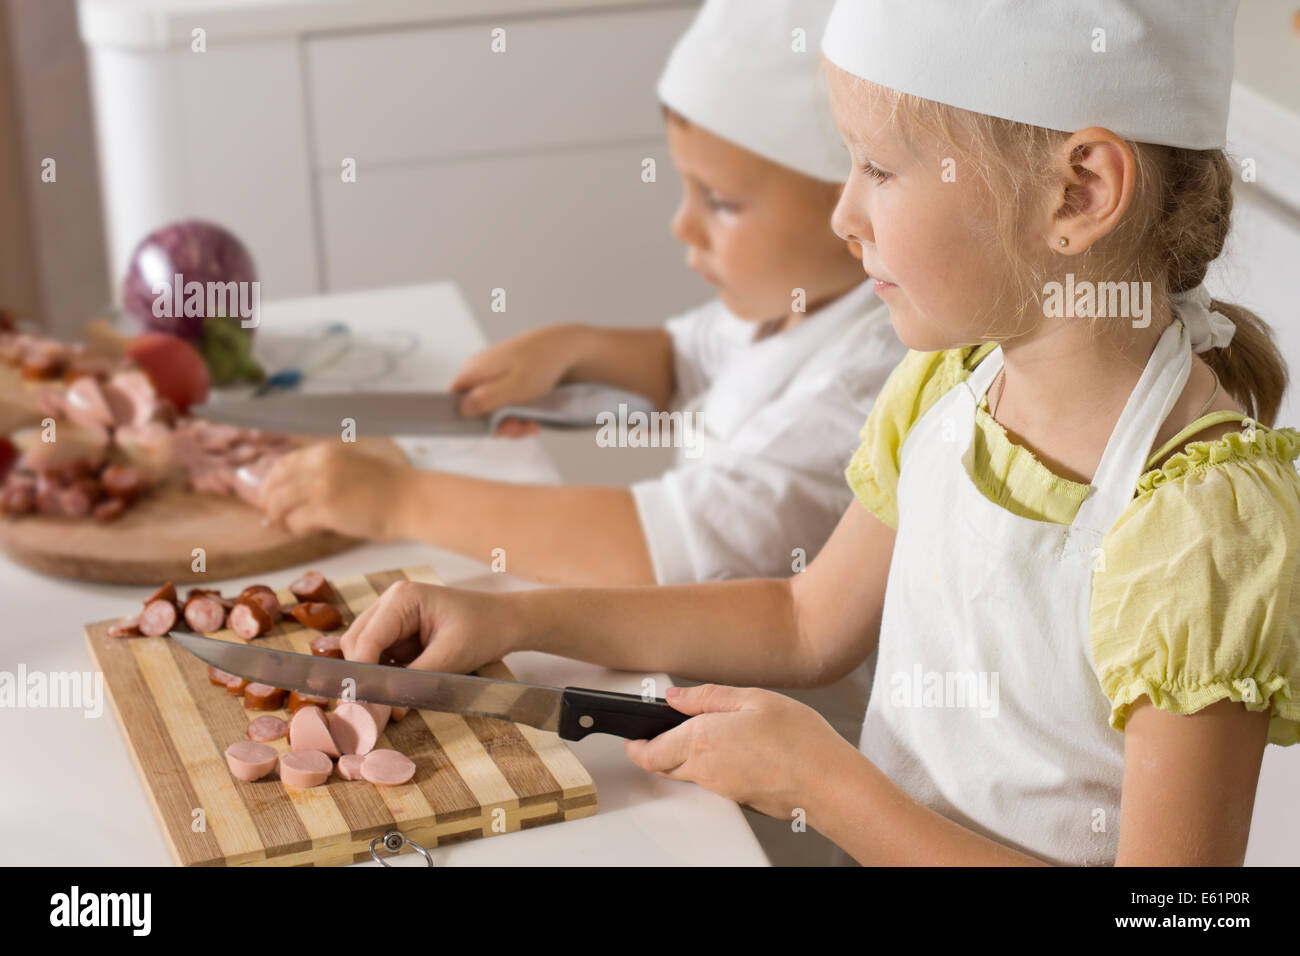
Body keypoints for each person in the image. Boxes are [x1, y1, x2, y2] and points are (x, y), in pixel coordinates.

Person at [346, 0, 1300, 865]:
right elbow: (806, 622)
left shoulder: (1197, 532)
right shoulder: (945, 386)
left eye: (878, 167)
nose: (845, 213)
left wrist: (825, 784)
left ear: (1079, 192)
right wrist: (515, 616)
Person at [256, 0, 904, 592]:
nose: (681, 224)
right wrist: (577, 349)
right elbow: (690, 355)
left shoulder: (869, 379)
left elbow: (665, 547)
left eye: (723, 202)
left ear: (854, 207)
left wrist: (402, 500)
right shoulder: (797, 304)